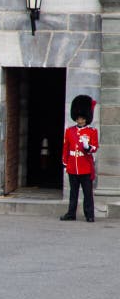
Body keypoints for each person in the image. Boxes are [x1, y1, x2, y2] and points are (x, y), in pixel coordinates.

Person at [60, 95, 99, 223]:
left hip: (85, 166)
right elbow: (66, 147)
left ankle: (89, 214)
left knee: (88, 193)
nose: (80, 120)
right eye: (78, 118)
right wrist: (65, 162)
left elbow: (95, 147)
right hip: (73, 166)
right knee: (73, 193)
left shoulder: (92, 131)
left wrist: (88, 147)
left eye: (82, 118)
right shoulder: (70, 131)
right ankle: (71, 213)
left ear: (86, 118)